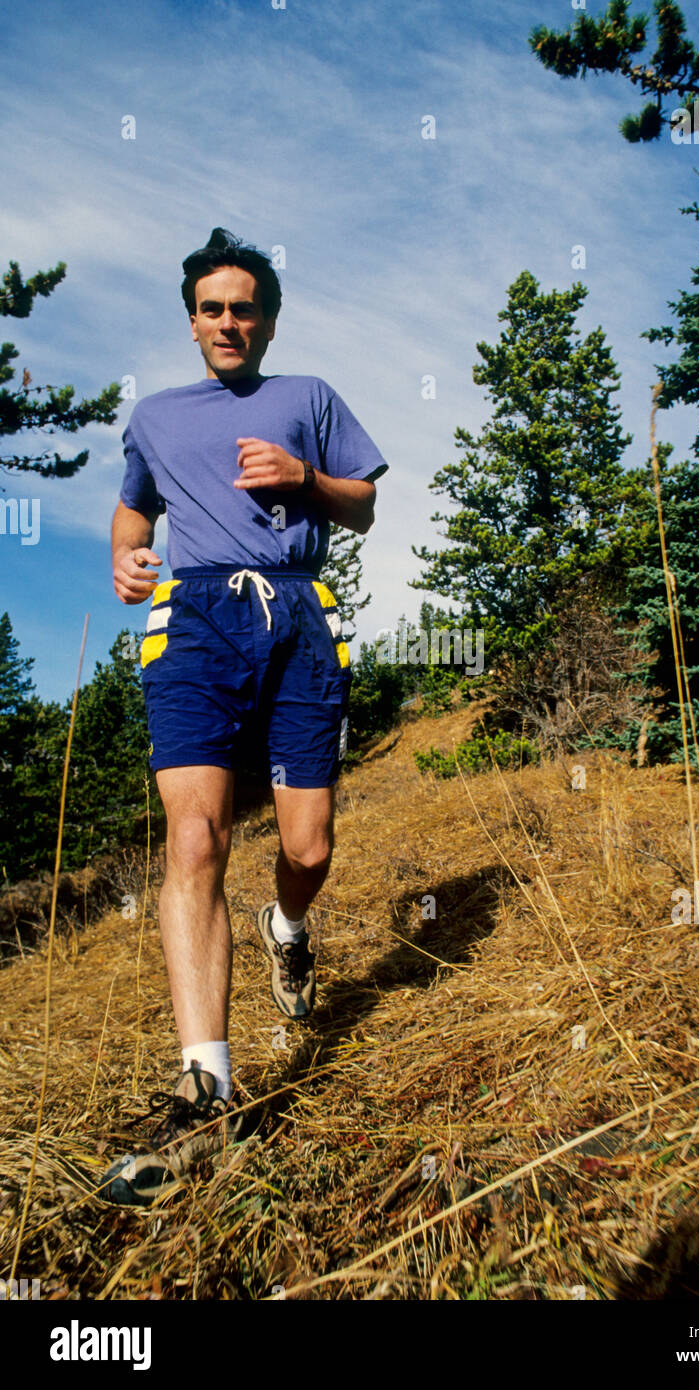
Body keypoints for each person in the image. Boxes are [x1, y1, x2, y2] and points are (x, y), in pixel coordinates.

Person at [100, 228, 388, 1205]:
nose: (229, 321)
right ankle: (205, 1082)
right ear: (193, 322)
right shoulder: (154, 416)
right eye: (212, 307)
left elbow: (363, 509)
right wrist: (126, 559)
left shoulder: (308, 399)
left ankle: (289, 924)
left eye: (244, 306)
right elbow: (132, 514)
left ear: (265, 318)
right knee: (194, 837)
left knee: (306, 846)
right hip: (193, 623)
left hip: (300, 616)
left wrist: (305, 477)